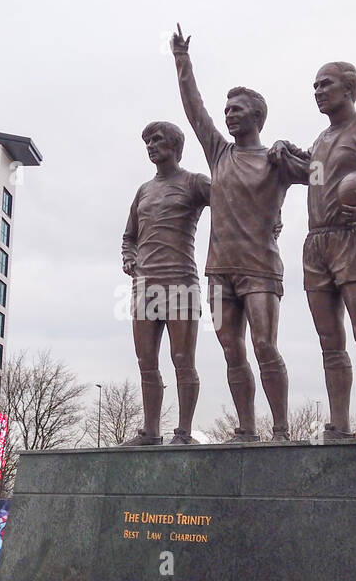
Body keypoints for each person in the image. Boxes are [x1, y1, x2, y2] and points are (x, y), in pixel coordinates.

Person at [269, 61, 356, 438]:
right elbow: (310, 171)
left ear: (349, 89)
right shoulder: (320, 140)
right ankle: (340, 424)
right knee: (329, 340)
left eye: (325, 84)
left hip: (355, 238)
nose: (317, 91)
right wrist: (284, 149)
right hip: (317, 244)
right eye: (314, 85)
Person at [171, 24, 296, 441]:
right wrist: (182, 61)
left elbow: (321, 170)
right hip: (218, 270)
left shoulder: (275, 160)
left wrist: (292, 150)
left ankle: (280, 429)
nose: (228, 115)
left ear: (257, 117)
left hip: (260, 268)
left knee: (265, 347)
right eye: (227, 111)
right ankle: (246, 428)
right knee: (231, 351)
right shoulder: (219, 153)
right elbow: (195, 110)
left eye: (237, 109)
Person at [119, 121, 211, 445]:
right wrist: (129, 258)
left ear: (174, 145)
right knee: (146, 362)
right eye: (147, 141)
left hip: (181, 283)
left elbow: (231, 204)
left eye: (157, 140)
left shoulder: (195, 182)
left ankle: (184, 432)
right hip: (144, 286)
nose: (150, 145)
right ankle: (150, 431)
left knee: (183, 359)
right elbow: (129, 237)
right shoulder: (143, 191)